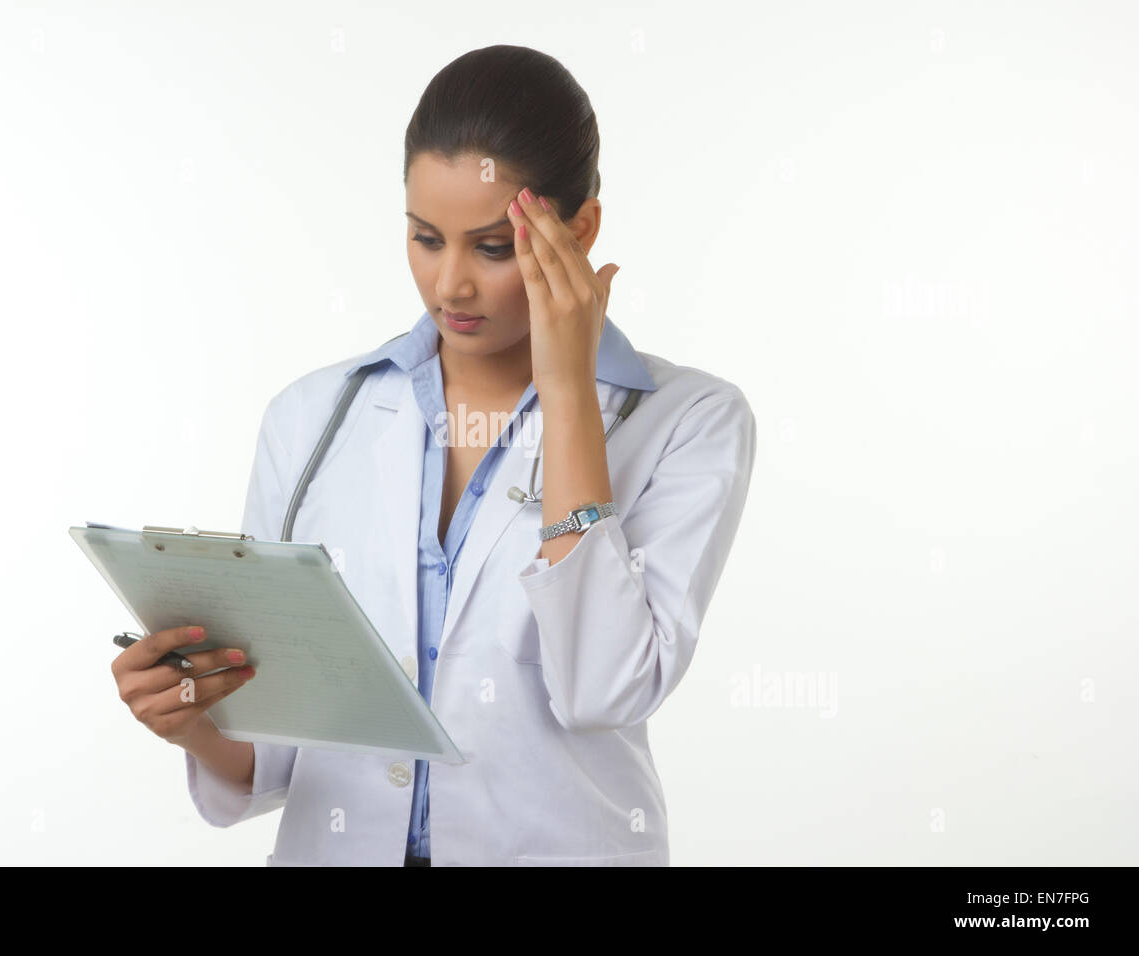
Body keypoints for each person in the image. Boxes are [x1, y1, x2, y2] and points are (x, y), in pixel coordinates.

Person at [110, 44, 757, 866]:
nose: (448, 285)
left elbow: (604, 689)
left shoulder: (689, 420)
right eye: (425, 238)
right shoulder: (311, 418)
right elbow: (273, 756)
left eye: (491, 247)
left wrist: (567, 397)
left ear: (579, 229)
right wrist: (193, 719)